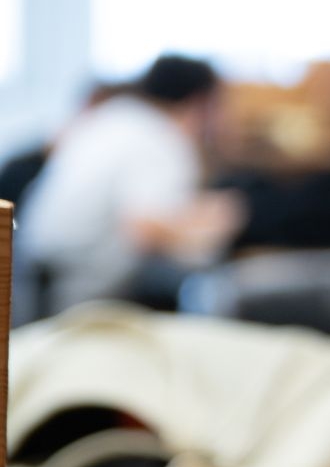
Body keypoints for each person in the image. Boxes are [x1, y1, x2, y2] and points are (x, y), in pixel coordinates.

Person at [17, 54, 246, 316]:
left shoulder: (116, 114)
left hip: (30, 271)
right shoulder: (164, 139)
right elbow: (145, 230)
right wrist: (213, 227)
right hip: (78, 289)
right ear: (200, 104)